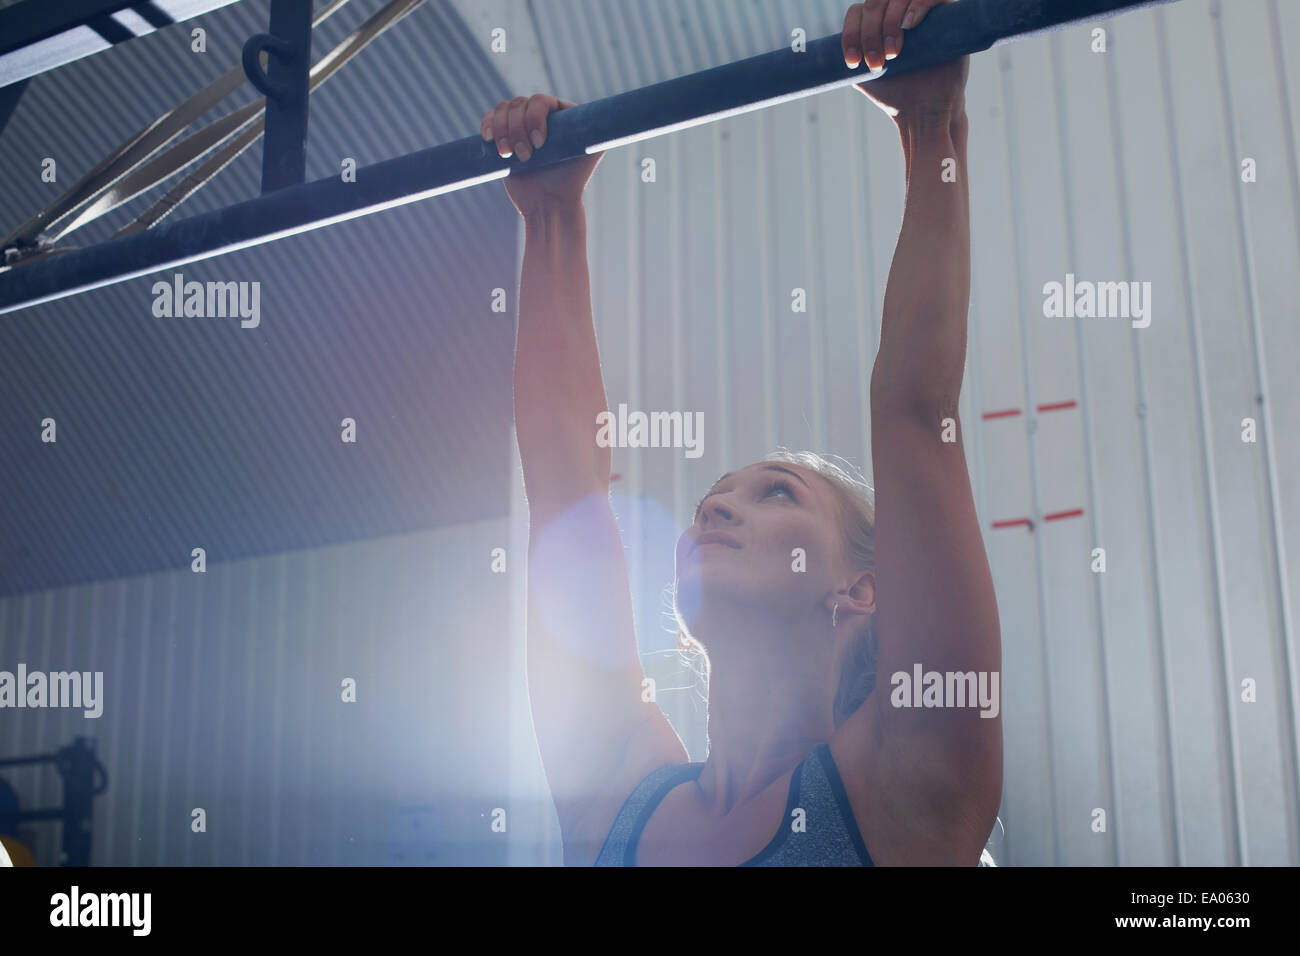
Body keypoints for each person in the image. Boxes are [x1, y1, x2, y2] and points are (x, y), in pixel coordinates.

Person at [488, 0, 1001, 865]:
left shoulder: (908, 788)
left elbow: (914, 413)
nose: (714, 509)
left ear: (862, 590)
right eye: (714, 500)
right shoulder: (619, 796)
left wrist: (932, 123)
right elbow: (562, 480)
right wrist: (550, 214)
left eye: (775, 494)